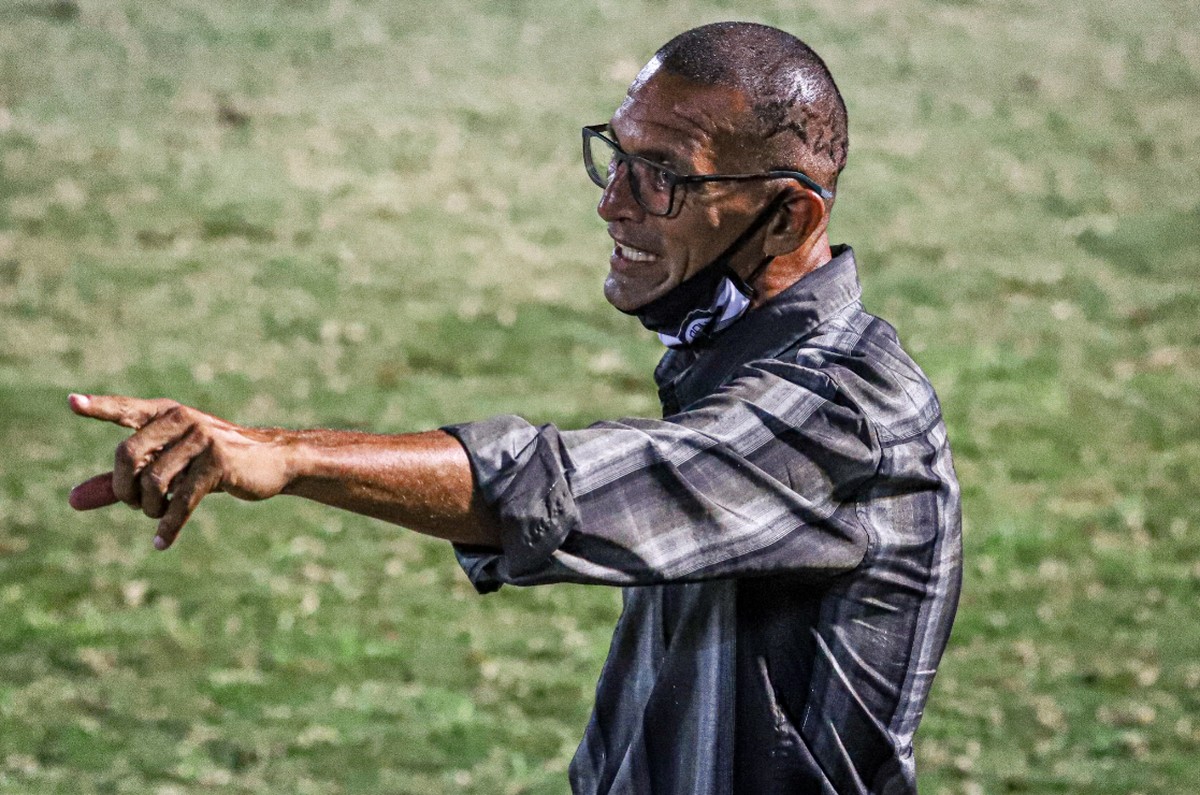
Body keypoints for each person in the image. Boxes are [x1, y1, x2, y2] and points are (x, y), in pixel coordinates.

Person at [69, 22, 961, 795]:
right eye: (617, 156)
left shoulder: (847, 415)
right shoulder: (733, 360)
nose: (613, 203)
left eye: (663, 178)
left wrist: (287, 456)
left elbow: (562, 490)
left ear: (788, 221)